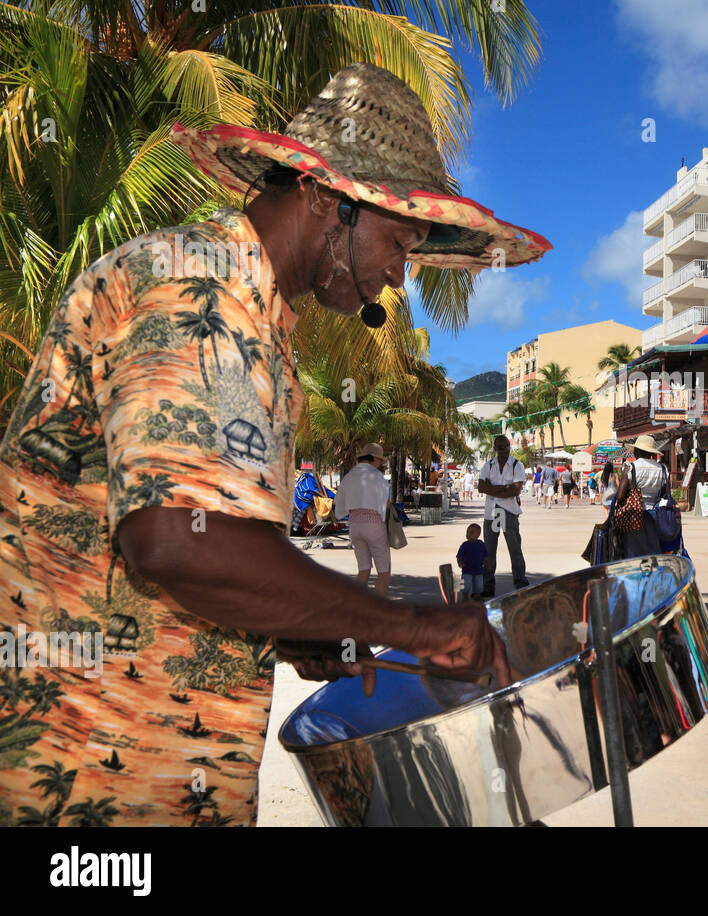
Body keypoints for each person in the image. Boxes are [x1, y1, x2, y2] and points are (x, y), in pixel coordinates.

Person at [0, 64, 524, 825]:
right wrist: (412, 627)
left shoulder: (255, 318)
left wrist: (291, 626)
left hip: (161, 770)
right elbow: (176, 541)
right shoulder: (196, 289)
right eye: (397, 242)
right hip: (82, 779)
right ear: (327, 199)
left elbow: (181, 554)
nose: (396, 275)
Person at [335, 443, 395, 598]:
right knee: (384, 571)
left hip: (354, 525)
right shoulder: (376, 476)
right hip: (374, 525)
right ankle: (377, 608)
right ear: (373, 458)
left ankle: (357, 605)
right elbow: (386, 503)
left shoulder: (349, 476)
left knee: (363, 569)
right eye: (380, 460)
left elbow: (339, 503)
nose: (380, 464)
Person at [478, 434, 529, 597]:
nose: (505, 449)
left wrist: (493, 489)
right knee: (489, 550)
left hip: (509, 511)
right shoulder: (488, 465)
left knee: (515, 548)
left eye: (507, 446)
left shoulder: (517, 465)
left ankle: (520, 581)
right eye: (501, 447)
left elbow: (515, 490)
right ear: (495, 449)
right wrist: (504, 488)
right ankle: (488, 585)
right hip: (492, 511)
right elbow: (481, 487)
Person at [611, 435, 672, 558]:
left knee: (633, 552)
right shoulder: (662, 469)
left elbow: (620, 496)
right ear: (651, 452)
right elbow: (666, 492)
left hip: (634, 514)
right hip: (656, 514)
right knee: (653, 550)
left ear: (637, 451)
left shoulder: (630, 467)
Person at [456, 523, 488, 600]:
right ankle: (465, 597)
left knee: (479, 585)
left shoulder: (481, 544)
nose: (468, 534)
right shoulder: (464, 545)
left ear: (478, 534)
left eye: (471, 532)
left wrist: (488, 563)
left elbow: (485, 555)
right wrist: (459, 562)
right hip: (467, 569)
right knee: (465, 584)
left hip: (478, 569)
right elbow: (459, 555)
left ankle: (477, 596)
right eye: (467, 532)